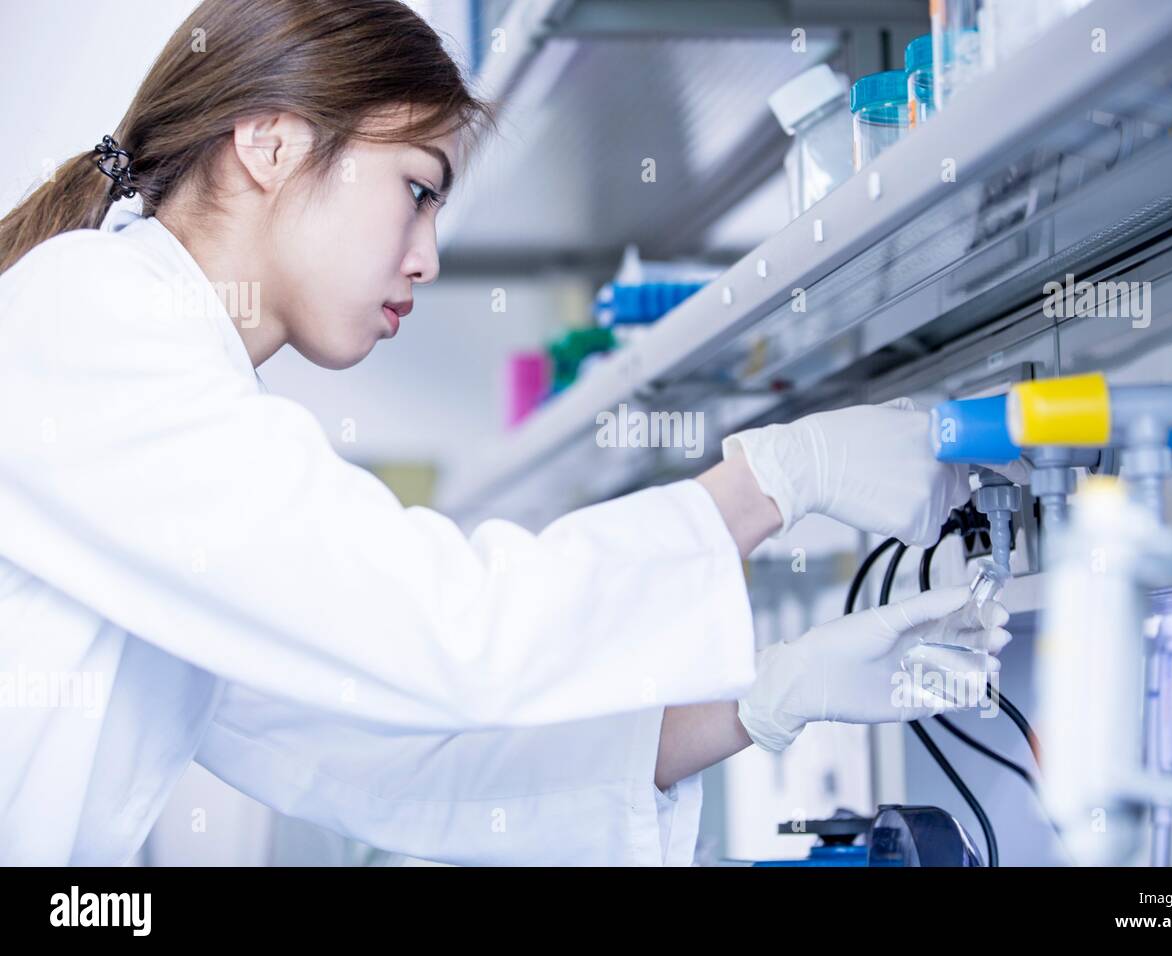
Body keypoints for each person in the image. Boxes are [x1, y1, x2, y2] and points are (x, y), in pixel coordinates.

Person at [0, 0, 1004, 865]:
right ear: (269, 142)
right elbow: (452, 623)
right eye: (418, 189)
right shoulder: (94, 316)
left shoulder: (162, 376)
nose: (428, 257)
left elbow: (379, 757)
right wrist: (779, 478)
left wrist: (764, 702)